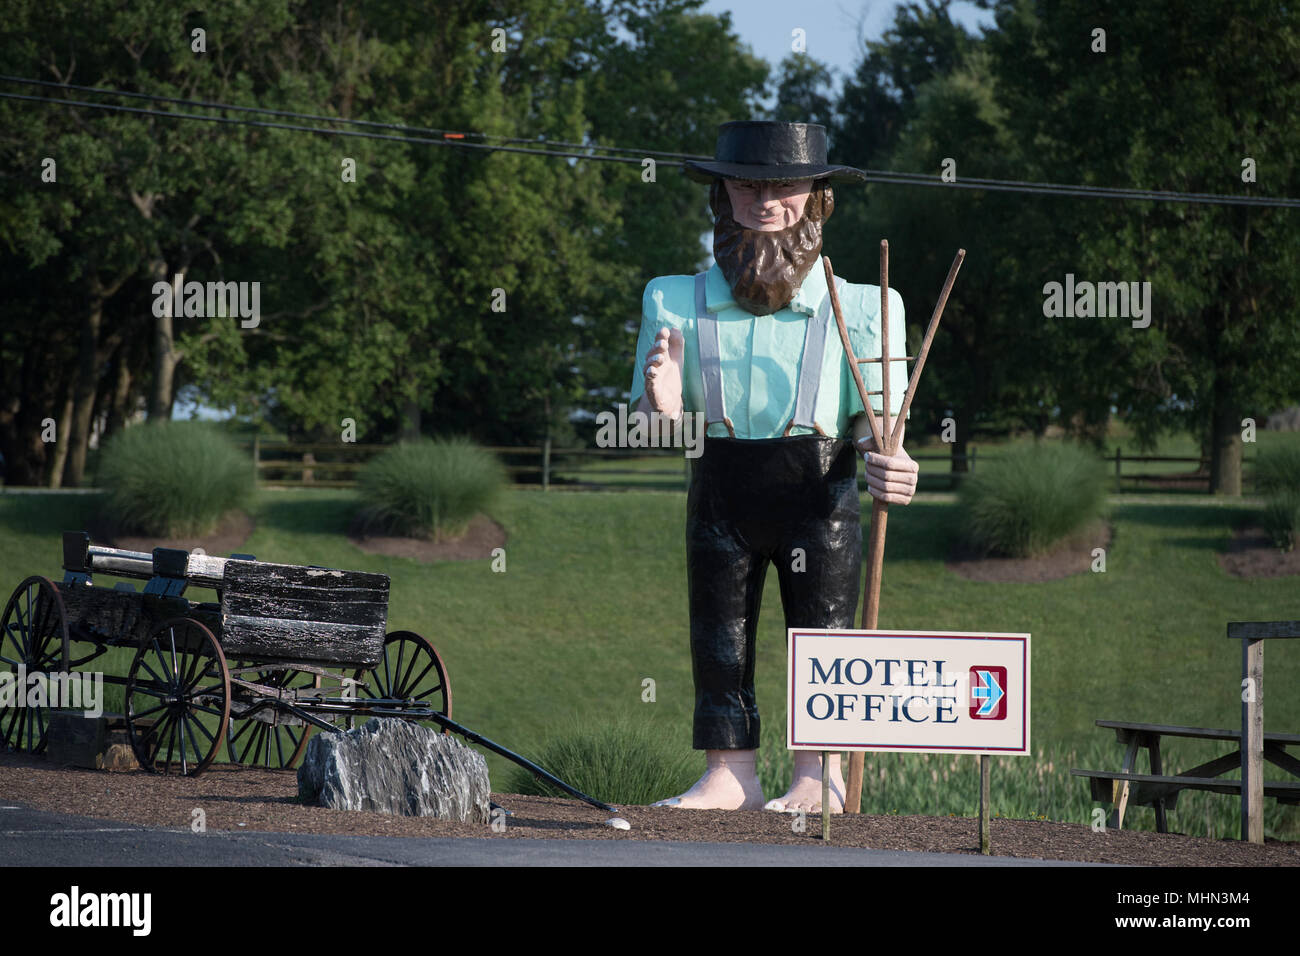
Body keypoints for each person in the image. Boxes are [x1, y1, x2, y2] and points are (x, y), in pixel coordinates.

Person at [629, 121, 919, 812]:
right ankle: (729, 772)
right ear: (721, 193)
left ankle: (820, 776)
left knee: (825, 633)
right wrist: (660, 403)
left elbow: (881, 426)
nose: (765, 201)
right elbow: (646, 422)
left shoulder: (869, 307)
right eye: (746, 184)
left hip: (819, 492)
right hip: (719, 486)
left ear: (817, 197)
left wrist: (894, 462)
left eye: (784, 186)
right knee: (717, 630)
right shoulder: (673, 299)